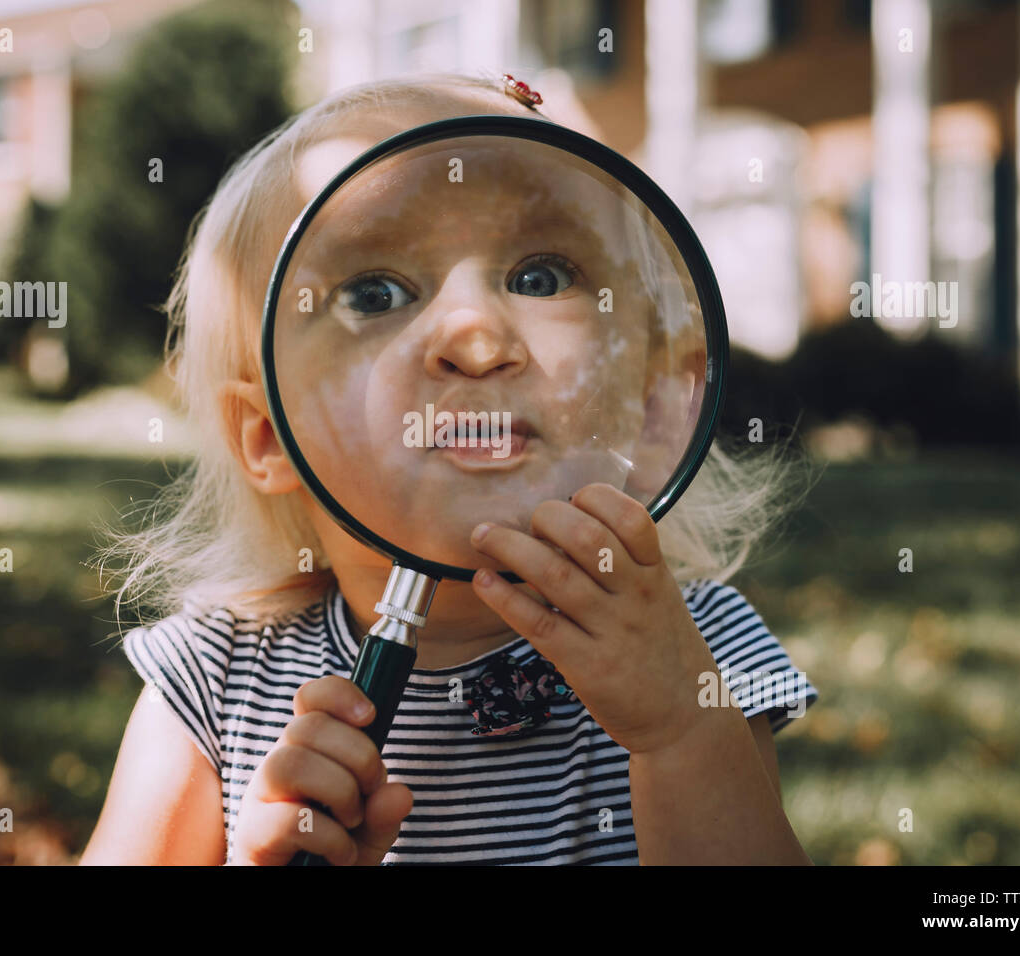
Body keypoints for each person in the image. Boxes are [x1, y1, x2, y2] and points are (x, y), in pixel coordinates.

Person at [81, 72, 817, 866]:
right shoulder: (217, 677)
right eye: (374, 291)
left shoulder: (692, 648)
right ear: (267, 437)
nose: (475, 334)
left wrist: (680, 732)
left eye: (540, 277)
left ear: (658, 402)